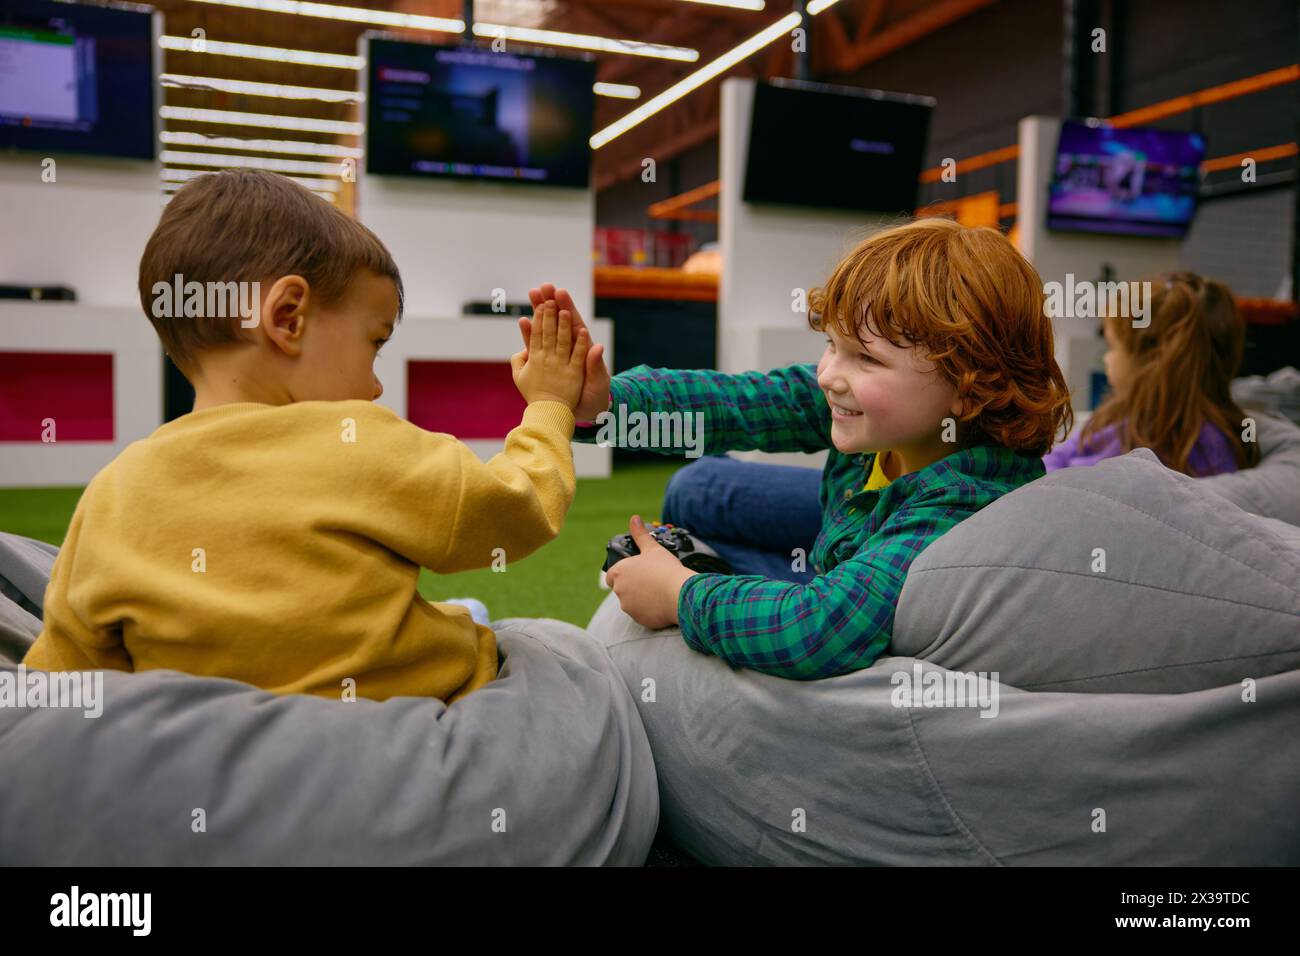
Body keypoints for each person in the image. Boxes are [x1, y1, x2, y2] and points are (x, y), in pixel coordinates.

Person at [22, 169, 589, 704]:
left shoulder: (112, 492)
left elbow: (62, 679)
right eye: (374, 342)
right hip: (416, 732)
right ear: (288, 316)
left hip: (205, 761)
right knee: (557, 649)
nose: (374, 385)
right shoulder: (365, 441)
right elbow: (519, 508)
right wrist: (550, 404)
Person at [528, 216, 1073, 680]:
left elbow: (819, 629)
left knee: (696, 560)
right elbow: (740, 403)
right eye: (832, 345)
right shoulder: (893, 419)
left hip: (838, 594)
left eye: (867, 358)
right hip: (837, 557)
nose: (829, 374)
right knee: (697, 483)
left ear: (969, 383)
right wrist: (605, 405)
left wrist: (682, 595)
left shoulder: (961, 504)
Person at [1044, 271, 1260, 476]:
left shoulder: (1141, 437)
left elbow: (1063, 479)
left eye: (1112, 346)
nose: (1106, 358)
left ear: (1152, 361)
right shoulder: (1121, 416)